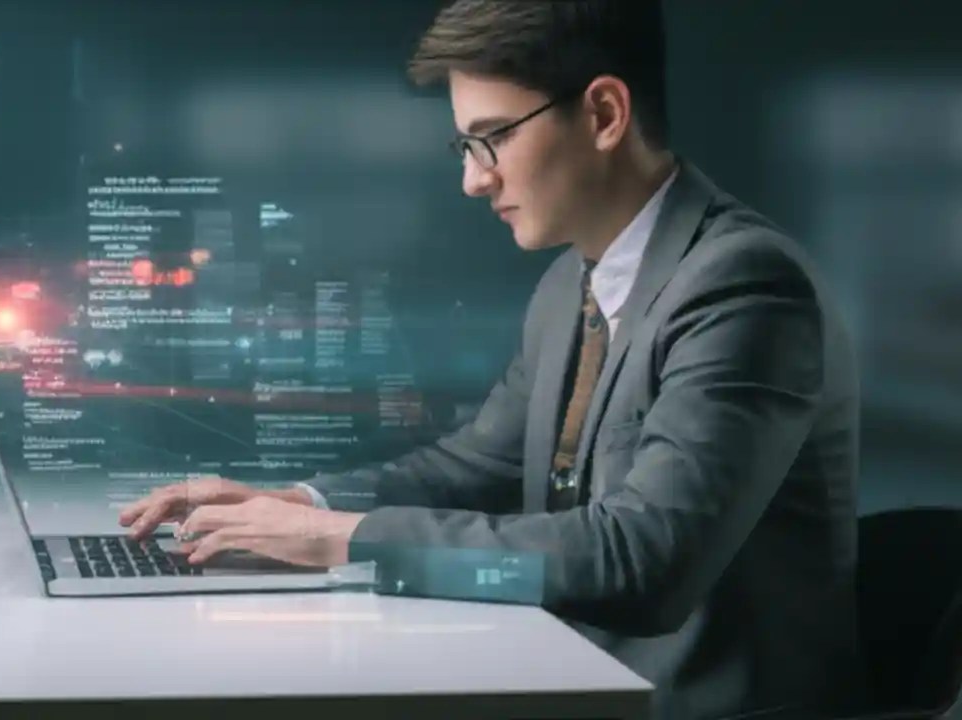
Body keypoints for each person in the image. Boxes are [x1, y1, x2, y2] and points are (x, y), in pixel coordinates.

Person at [120, 1, 868, 717]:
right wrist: (297, 504)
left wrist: (342, 541)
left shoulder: (744, 287)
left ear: (605, 114)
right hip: (570, 678)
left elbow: (645, 565)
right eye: (466, 146)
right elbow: (474, 469)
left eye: (495, 138)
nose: (474, 179)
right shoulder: (568, 287)